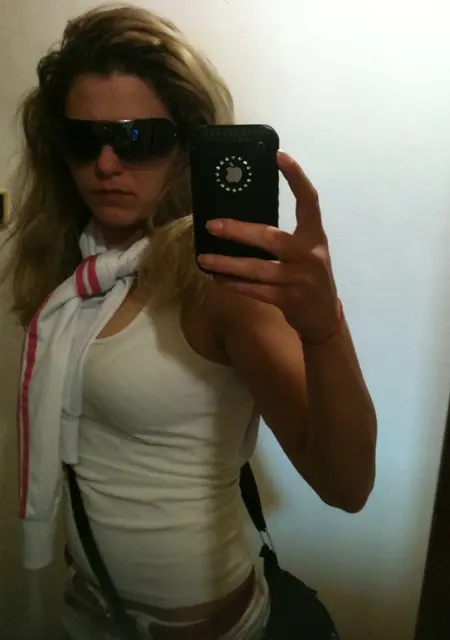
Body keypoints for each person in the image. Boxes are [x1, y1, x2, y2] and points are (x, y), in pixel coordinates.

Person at [3, 4, 377, 639]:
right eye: (83, 140)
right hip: (85, 612)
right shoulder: (76, 272)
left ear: (186, 145)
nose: (106, 164)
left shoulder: (219, 284)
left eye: (138, 139)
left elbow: (347, 485)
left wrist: (324, 327)